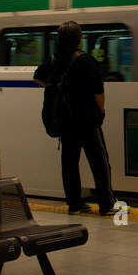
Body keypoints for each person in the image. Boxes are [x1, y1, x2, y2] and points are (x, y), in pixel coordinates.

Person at [34, 21, 117, 216]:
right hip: (87, 121)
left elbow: (38, 77)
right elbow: (99, 91)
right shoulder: (86, 61)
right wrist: (101, 111)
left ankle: (74, 205)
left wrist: (54, 87)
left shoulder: (53, 60)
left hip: (65, 121)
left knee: (69, 163)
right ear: (79, 38)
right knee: (99, 162)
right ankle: (106, 205)